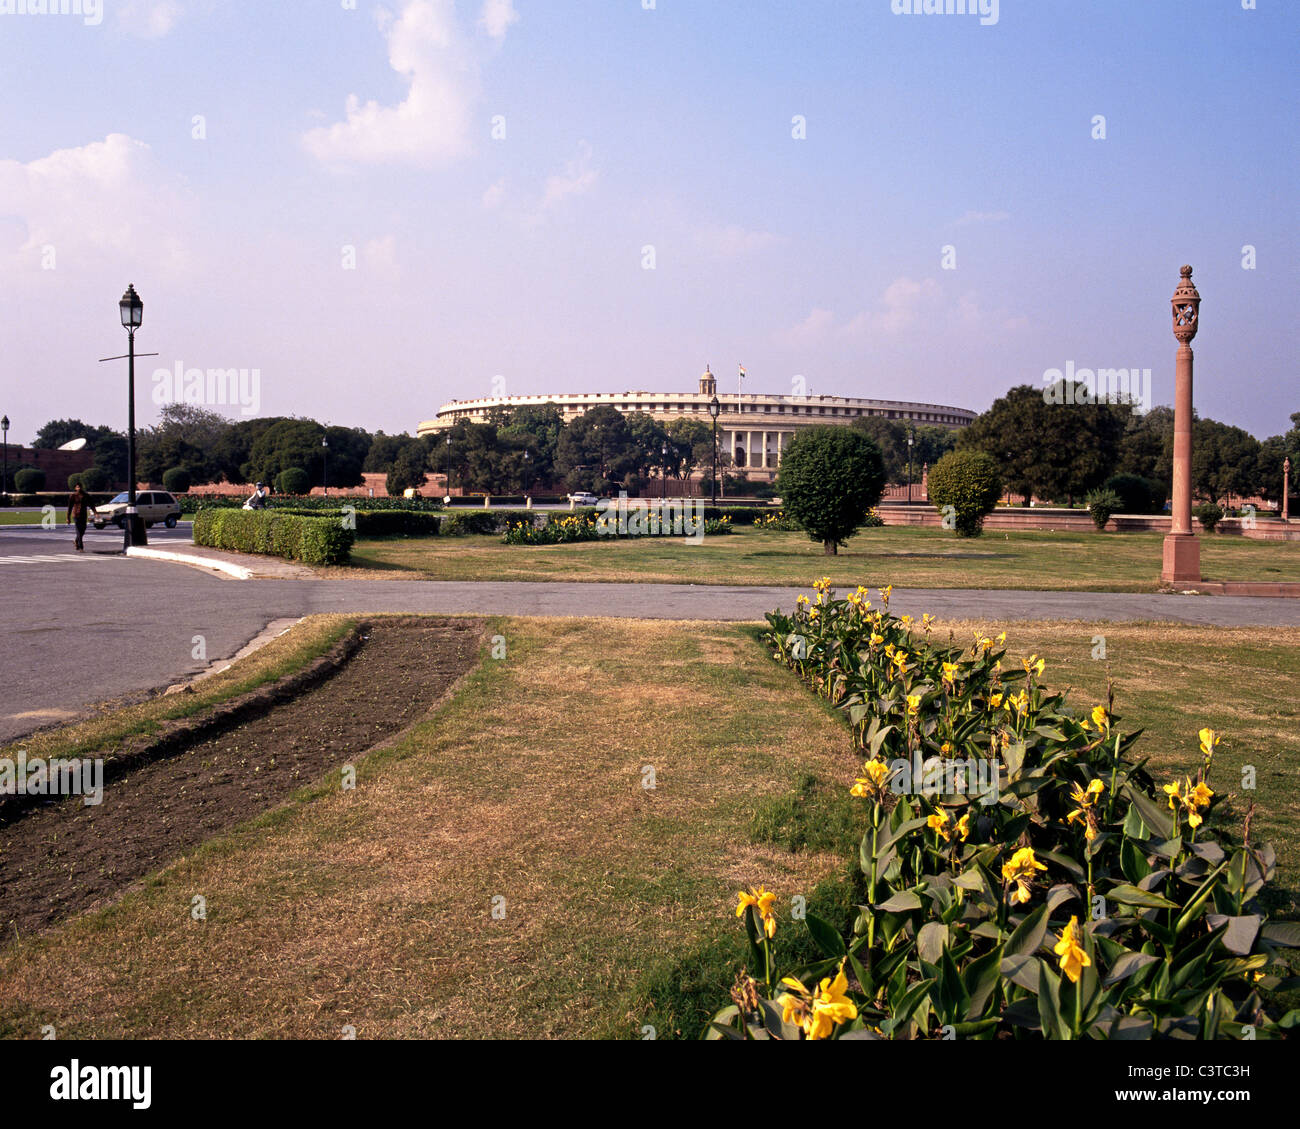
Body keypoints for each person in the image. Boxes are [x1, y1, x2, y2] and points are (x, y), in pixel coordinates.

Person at [66, 483, 98, 552]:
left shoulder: (86, 495)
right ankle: (81, 547)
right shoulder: (73, 496)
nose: (79, 488)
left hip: (83, 515)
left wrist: (95, 512)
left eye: (80, 487)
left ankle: (76, 541)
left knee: (83, 530)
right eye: (77, 487)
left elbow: (91, 504)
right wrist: (68, 517)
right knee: (78, 531)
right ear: (75, 488)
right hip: (76, 515)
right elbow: (70, 507)